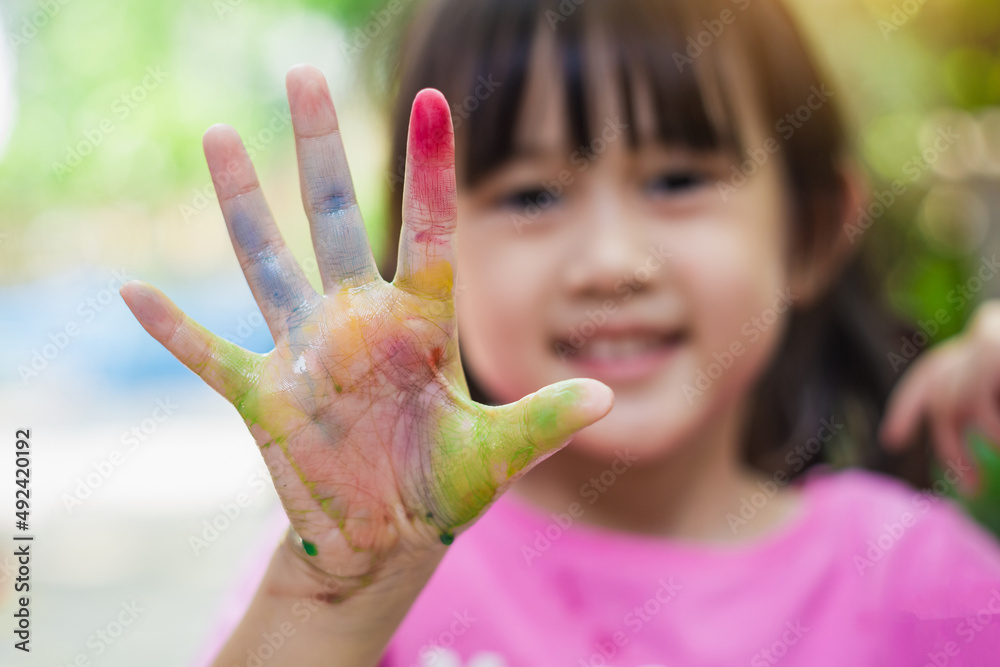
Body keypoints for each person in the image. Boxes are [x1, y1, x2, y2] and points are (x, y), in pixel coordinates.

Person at [120, 0, 1000, 664]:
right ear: (432, 255)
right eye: (533, 194)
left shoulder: (921, 581)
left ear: (807, 232)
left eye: (678, 180)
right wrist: (334, 598)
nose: (611, 261)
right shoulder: (369, 575)